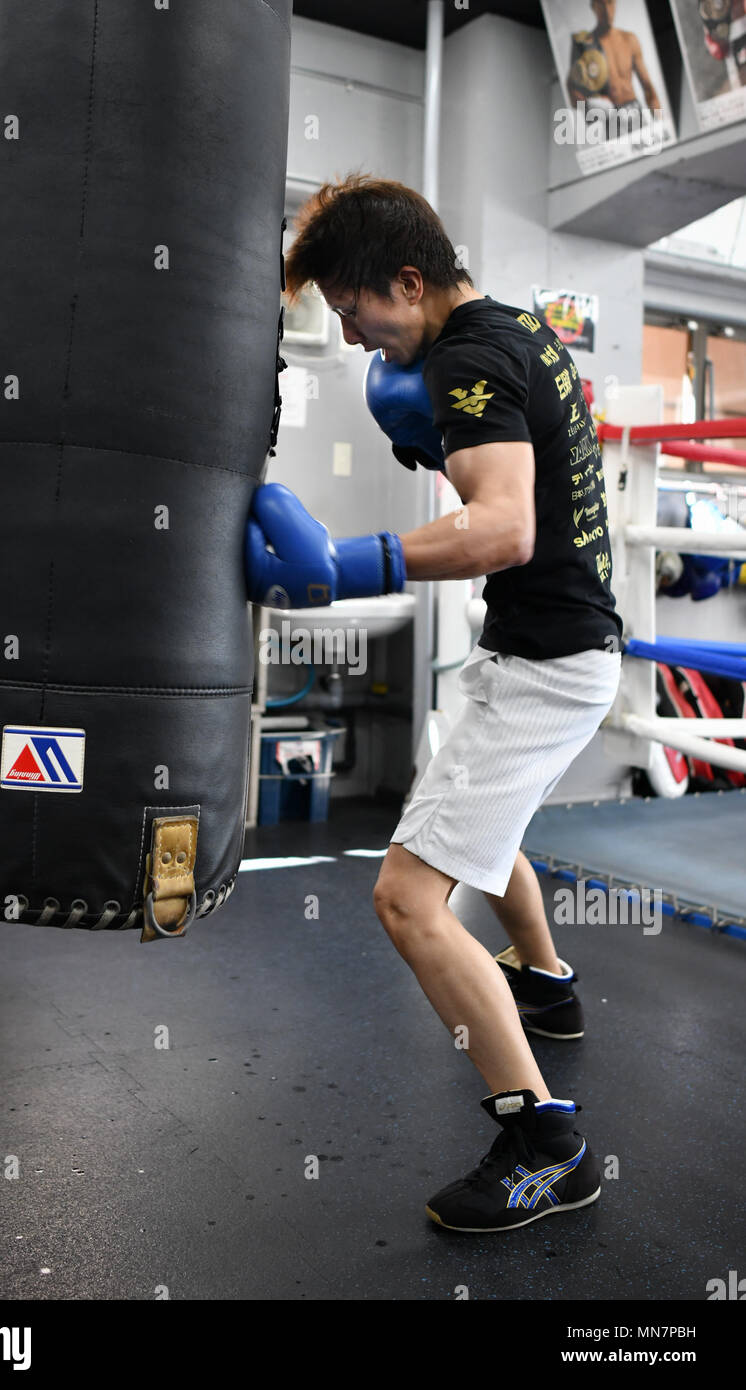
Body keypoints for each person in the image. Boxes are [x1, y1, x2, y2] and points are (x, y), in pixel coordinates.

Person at [247, 173, 624, 1233]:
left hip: (545, 664)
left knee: (407, 897)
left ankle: (546, 1144)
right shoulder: (508, 332)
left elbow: (502, 528)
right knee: (473, 830)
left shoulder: (468, 357)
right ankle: (543, 981)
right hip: (556, 644)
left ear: (406, 281)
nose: (356, 340)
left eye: (355, 315)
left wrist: (345, 560)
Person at [568, 0, 661, 111]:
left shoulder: (629, 39)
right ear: (593, 6)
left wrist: (659, 120)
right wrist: (593, 106)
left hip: (635, 111)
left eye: (610, 3)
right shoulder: (584, 46)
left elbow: (647, 87)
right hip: (610, 117)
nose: (607, 11)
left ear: (616, 3)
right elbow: (573, 92)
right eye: (602, 4)